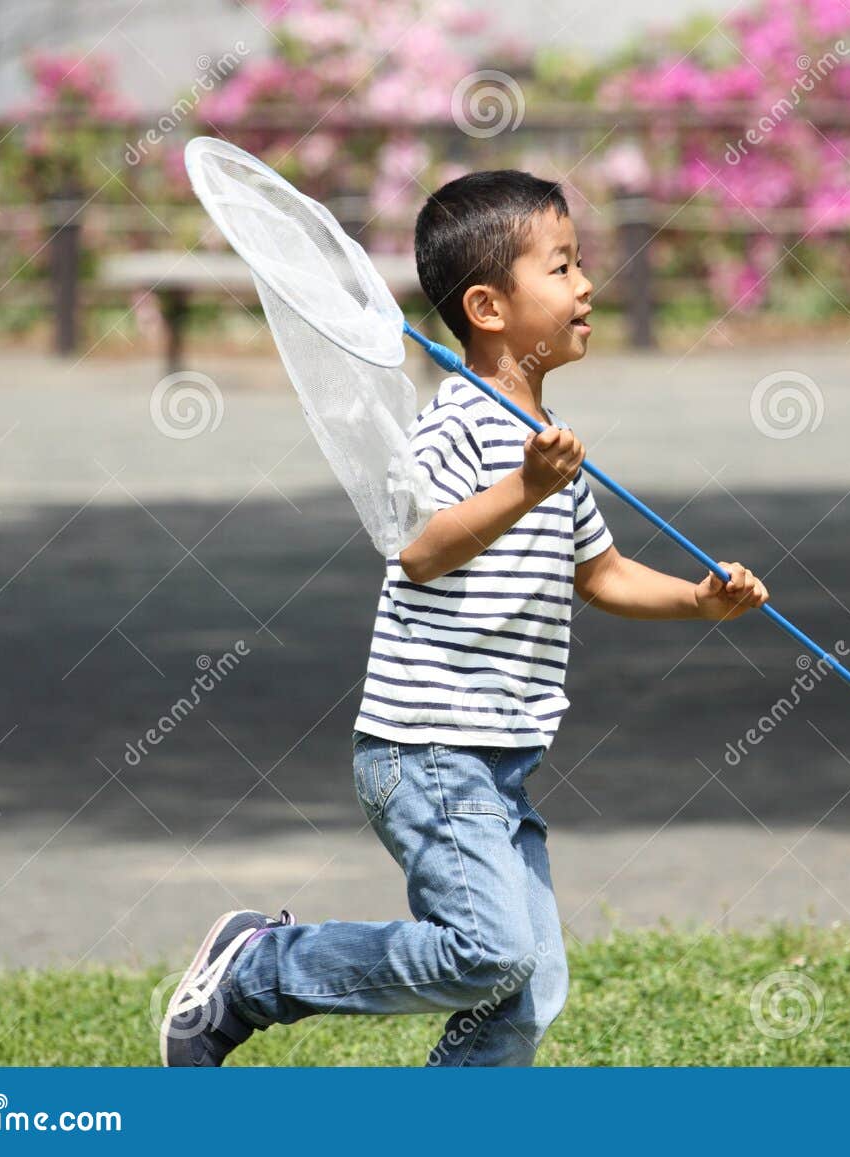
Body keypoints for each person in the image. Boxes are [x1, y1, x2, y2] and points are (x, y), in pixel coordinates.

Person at [162, 169, 768, 1067]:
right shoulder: (455, 426)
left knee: (529, 985)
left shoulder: (548, 440)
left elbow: (598, 574)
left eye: (578, 264)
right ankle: (258, 971)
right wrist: (525, 485)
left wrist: (699, 599)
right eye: (560, 267)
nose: (586, 284)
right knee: (488, 949)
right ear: (487, 306)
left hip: (499, 757)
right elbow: (420, 548)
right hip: (426, 747)